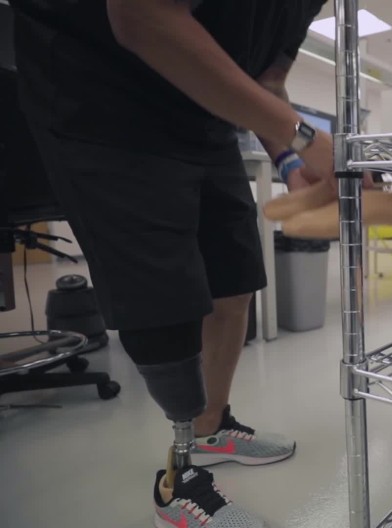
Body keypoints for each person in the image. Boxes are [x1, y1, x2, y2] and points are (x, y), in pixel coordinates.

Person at [10, 1, 335, 526]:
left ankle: (211, 427)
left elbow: (267, 80)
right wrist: (303, 134)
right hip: (100, 96)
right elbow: (143, 17)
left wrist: (291, 161)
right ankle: (177, 477)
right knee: (163, 294)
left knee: (235, 274)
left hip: (201, 114)